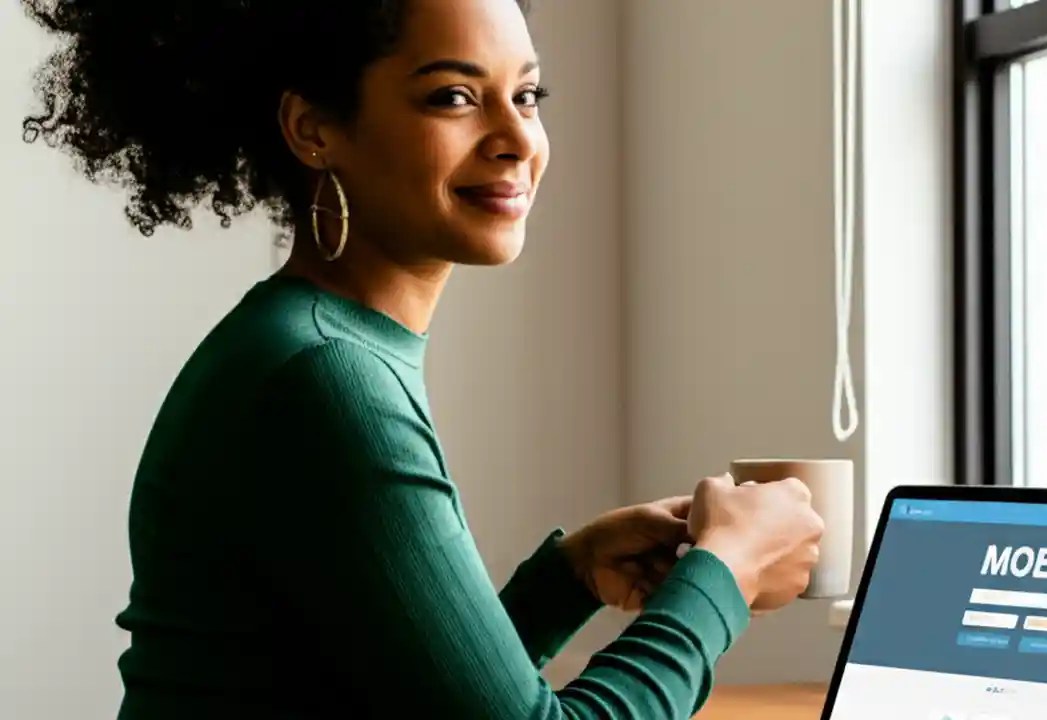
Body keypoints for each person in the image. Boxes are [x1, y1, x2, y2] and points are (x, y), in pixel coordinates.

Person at [20, 0, 825, 717]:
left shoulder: (307, 344)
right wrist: (724, 572)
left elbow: (380, 686)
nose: (516, 140)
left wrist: (569, 578)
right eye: (454, 97)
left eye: (528, 96)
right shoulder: (325, 377)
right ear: (314, 129)